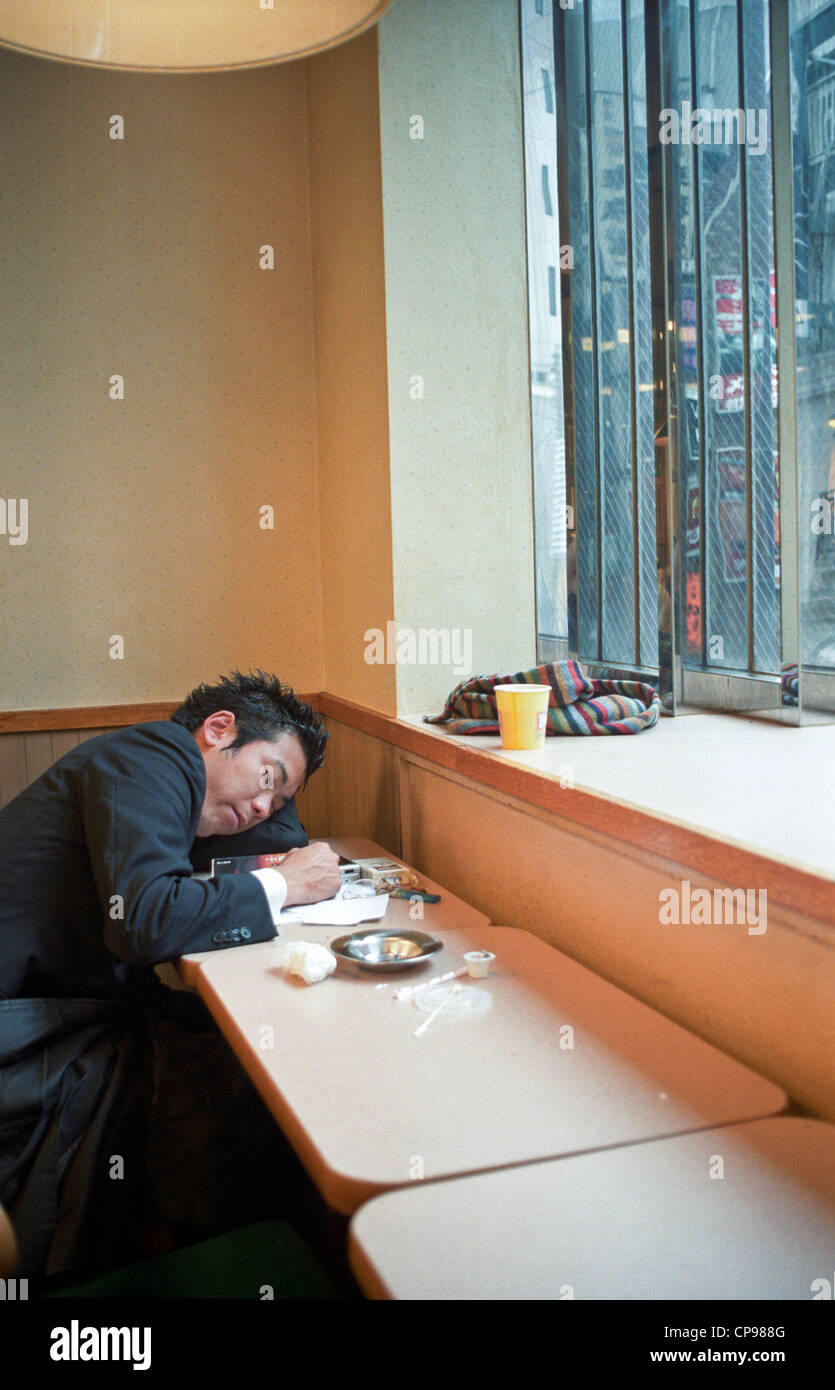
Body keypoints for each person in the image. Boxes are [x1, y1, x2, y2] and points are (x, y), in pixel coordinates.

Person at [0, 671, 341, 1279]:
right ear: (216, 730)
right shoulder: (154, 753)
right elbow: (144, 921)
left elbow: (283, 841)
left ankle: (210, 1240)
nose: (265, 807)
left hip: (60, 1000)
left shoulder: (185, 789)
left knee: (217, 1038)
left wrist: (267, 803)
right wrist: (283, 883)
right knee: (217, 1059)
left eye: (281, 797)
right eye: (269, 777)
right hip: (18, 1020)